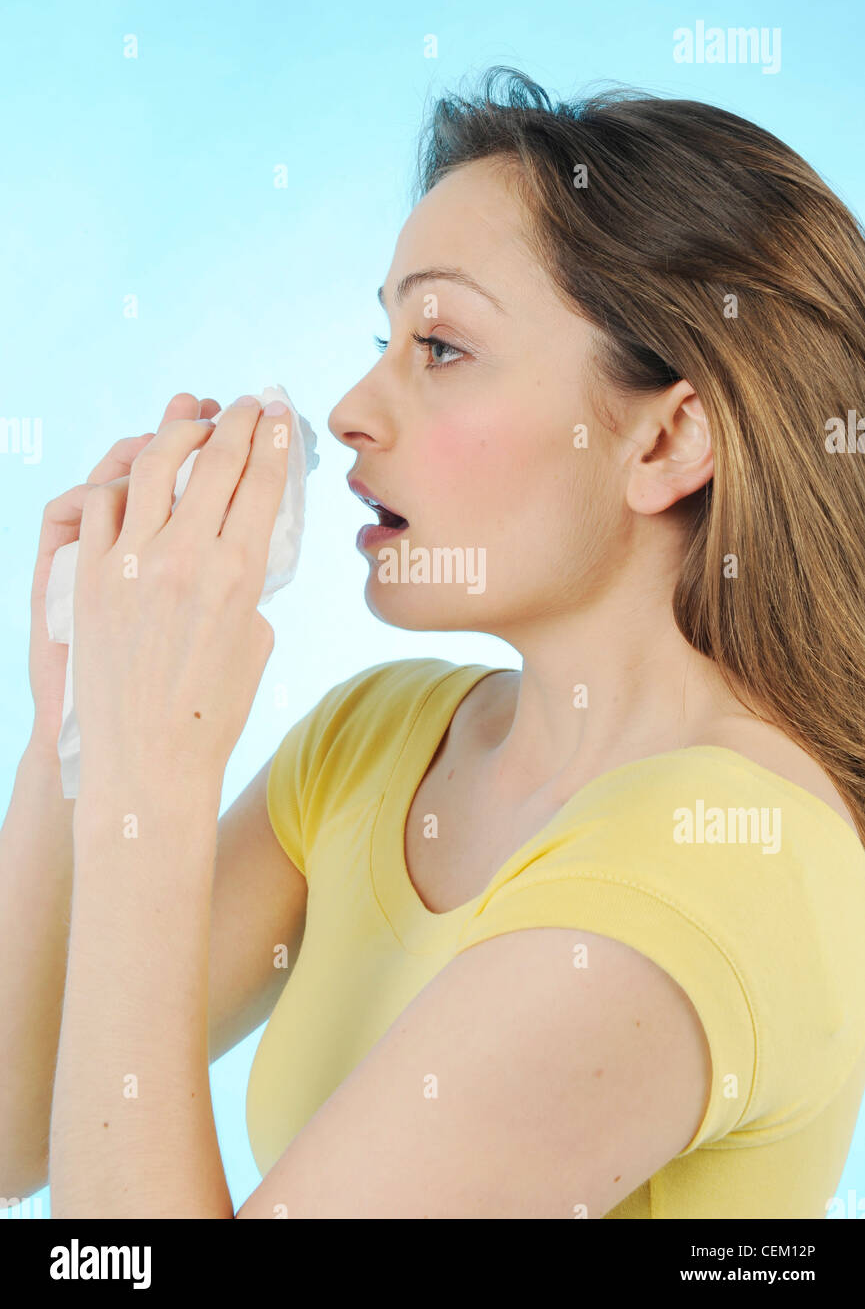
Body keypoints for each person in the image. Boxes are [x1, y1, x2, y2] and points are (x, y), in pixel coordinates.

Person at [2, 66, 864, 1219]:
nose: (352, 407)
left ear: (666, 440)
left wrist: (155, 778)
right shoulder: (379, 739)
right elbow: (23, 1124)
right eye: (383, 336)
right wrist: (81, 726)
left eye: (441, 345)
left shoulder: (724, 861)